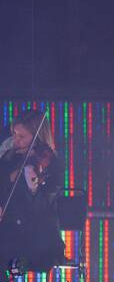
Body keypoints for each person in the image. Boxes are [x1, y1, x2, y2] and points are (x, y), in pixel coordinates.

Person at [0, 110, 67, 272]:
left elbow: (45, 206)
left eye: (22, 137)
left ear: (37, 137)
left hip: (36, 235)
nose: (15, 140)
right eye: (15, 134)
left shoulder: (50, 163)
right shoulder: (7, 158)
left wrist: (33, 189)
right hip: (10, 230)